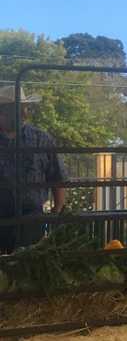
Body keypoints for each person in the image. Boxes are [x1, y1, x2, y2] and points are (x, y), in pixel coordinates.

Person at [0, 85, 66, 254]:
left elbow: (57, 177)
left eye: (24, 108)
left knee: (28, 267)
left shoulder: (41, 139)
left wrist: (57, 210)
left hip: (31, 219)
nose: (24, 113)